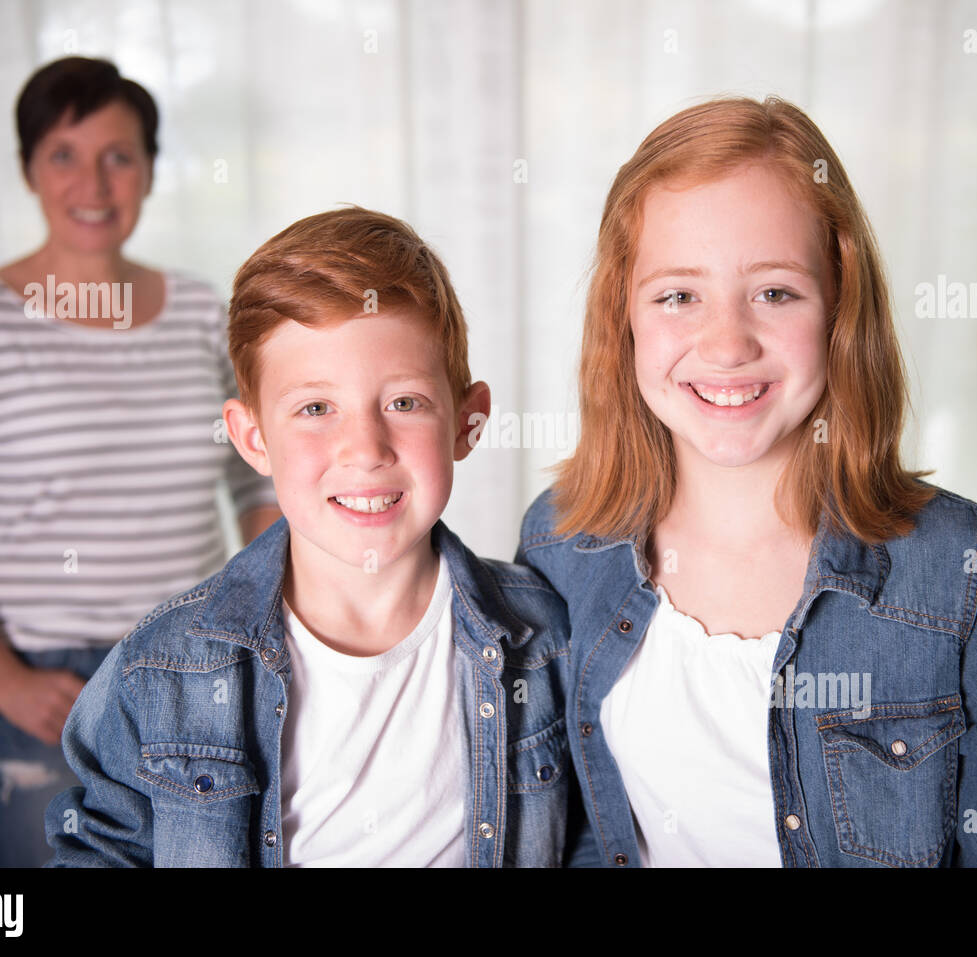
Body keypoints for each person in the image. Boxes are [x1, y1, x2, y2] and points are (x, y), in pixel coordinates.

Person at [514, 96, 977, 867]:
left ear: (840, 312)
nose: (727, 343)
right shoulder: (563, 542)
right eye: (678, 295)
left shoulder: (969, 573)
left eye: (776, 292)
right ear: (623, 319)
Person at [45, 206, 579, 867]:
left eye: (404, 402)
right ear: (252, 437)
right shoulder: (162, 669)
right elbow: (98, 851)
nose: (365, 448)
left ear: (468, 423)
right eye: (316, 409)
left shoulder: (546, 638)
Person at [0, 56, 281, 867]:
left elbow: (257, 476)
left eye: (119, 155)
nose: (93, 181)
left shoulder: (202, 309)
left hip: (196, 671)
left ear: (151, 171)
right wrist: (2, 679)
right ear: (28, 168)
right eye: (63, 154)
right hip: (41, 688)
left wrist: (257, 624)